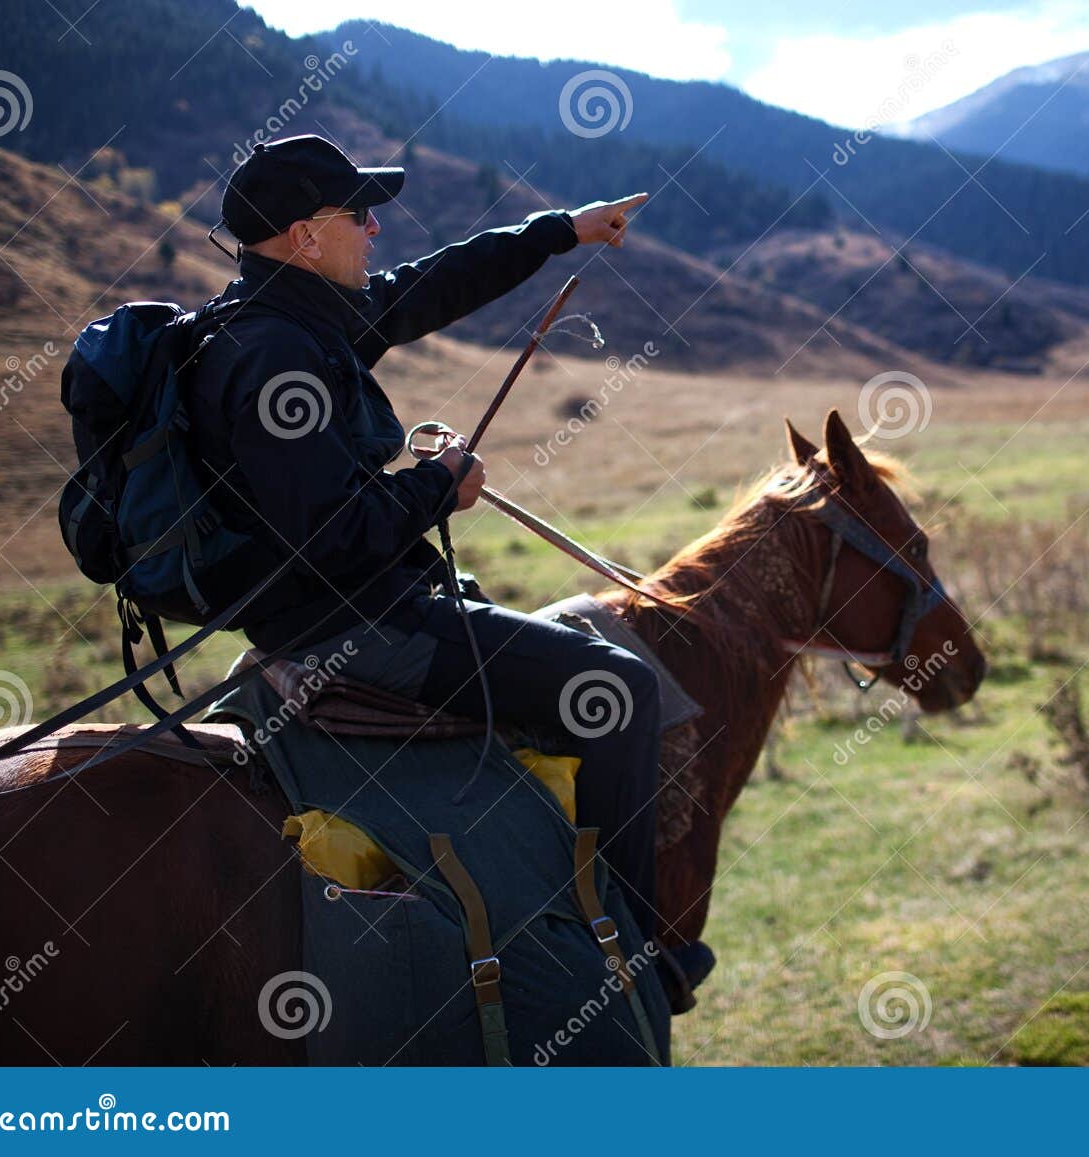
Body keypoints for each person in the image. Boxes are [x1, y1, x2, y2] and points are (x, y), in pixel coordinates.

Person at [188, 134, 706, 1006]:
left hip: (358, 609)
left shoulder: (300, 316)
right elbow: (333, 539)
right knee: (618, 690)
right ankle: (632, 956)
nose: (376, 228)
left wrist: (562, 232)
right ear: (305, 236)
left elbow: (435, 282)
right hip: (355, 630)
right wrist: (441, 486)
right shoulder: (275, 356)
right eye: (358, 213)